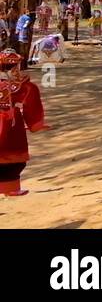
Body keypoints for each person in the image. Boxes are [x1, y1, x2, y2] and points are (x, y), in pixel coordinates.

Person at [0, 49, 50, 195]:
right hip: (11, 125)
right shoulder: (25, 86)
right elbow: (32, 107)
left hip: (10, 121)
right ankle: (11, 188)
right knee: (12, 158)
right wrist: (36, 125)